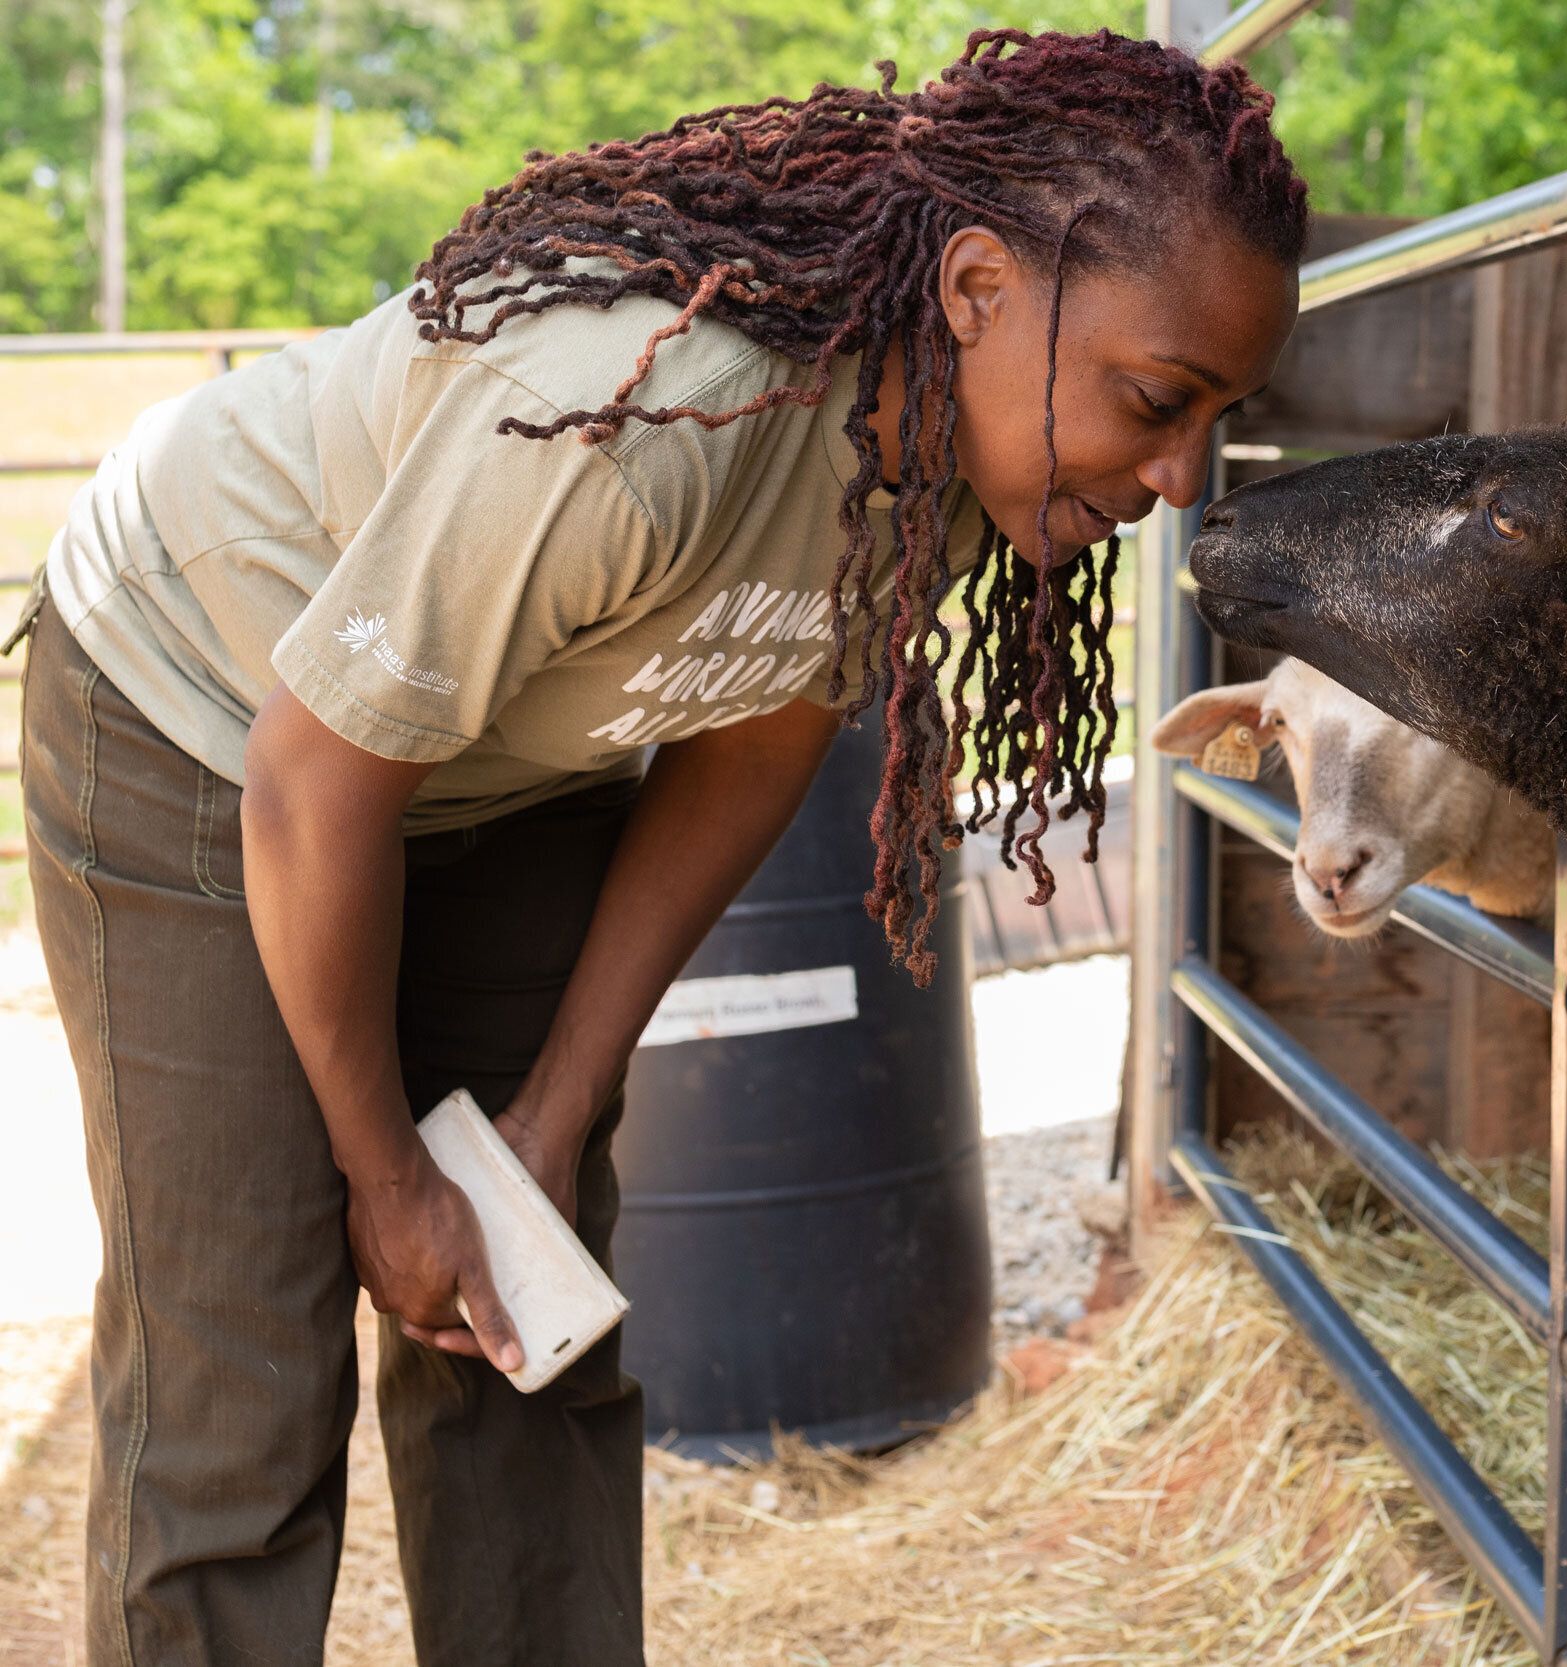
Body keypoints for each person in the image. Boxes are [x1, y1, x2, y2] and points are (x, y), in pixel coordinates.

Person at [1, 30, 1304, 1666]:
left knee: (522, 1310)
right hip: (201, 704)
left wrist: (549, 1116)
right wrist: (385, 1169)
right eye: (1156, 401)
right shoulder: (637, 418)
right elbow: (314, 779)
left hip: (487, 758)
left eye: (1219, 419)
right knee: (243, 1373)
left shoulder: (958, 472)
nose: (1182, 477)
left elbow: (754, 732)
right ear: (977, 286)